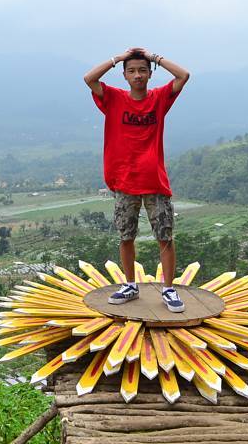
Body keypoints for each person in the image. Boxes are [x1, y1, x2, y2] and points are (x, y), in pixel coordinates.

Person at [84, 47, 190, 312]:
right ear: (124, 75)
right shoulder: (114, 99)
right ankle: (130, 285)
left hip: (153, 179)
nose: (137, 75)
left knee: (164, 235)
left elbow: (183, 75)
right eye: (131, 71)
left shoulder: (159, 98)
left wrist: (155, 57)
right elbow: (89, 79)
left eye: (142, 70)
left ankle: (168, 288)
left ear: (150, 74)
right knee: (126, 235)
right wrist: (118, 57)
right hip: (124, 180)